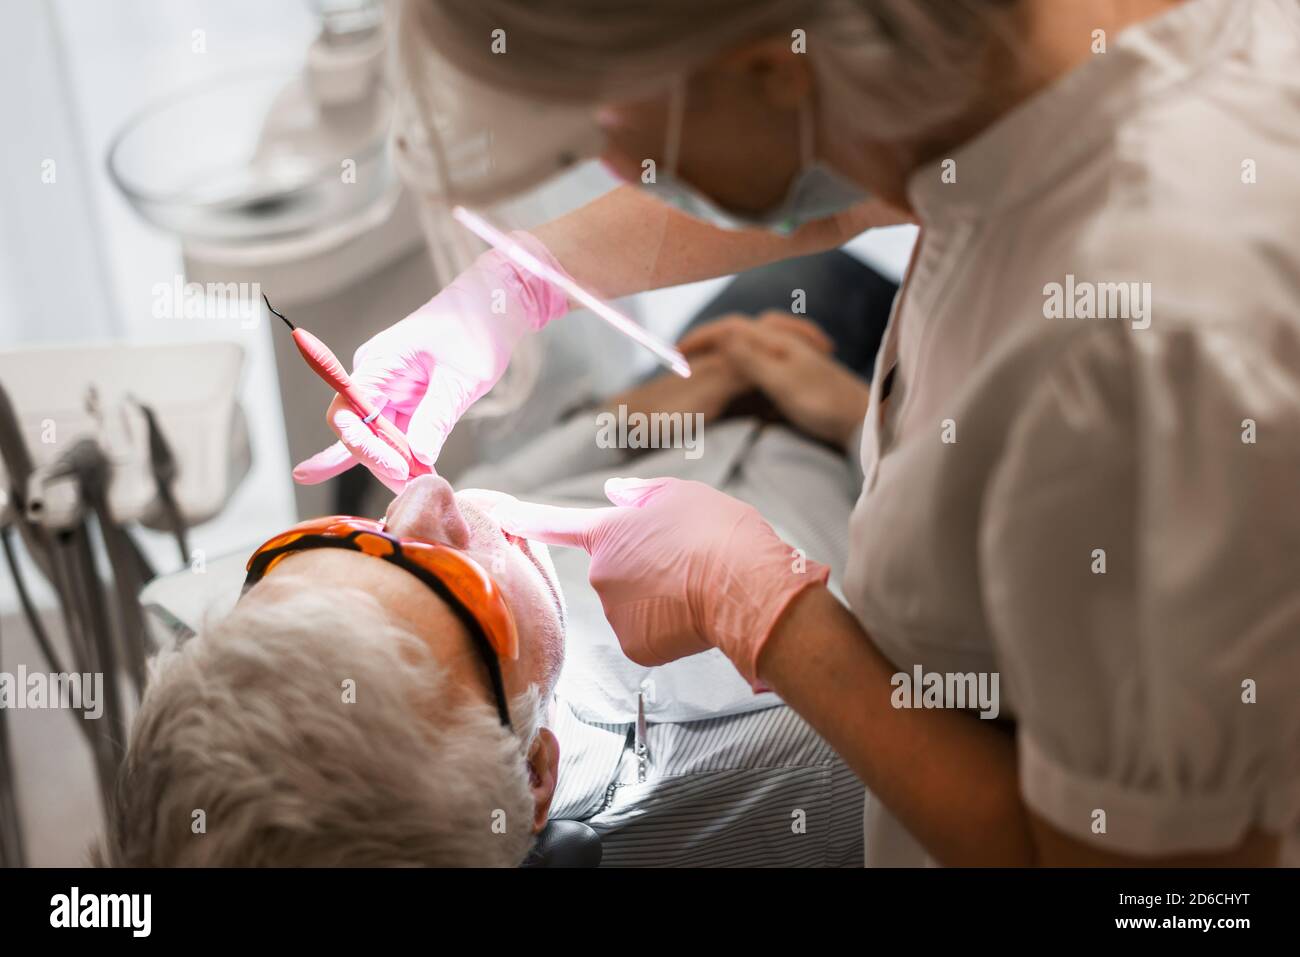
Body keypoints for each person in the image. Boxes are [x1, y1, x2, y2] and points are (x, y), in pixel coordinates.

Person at [297, 0, 1300, 866]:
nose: (610, 164)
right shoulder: (997, 67)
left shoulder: (1144, 353)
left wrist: (765, 614)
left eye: (605, 121)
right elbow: (858, 165)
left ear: (773, 69)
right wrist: (508, 291)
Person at [99, 271, 894, 865]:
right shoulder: (802, 746)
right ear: (536, 772)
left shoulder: (260, 659)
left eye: (342, 538)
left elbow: (529, 489)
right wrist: (862, 417)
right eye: (456, 584)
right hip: (857, 464)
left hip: (683, 413)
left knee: (792, 283)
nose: (423, 495)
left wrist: (629, 415)